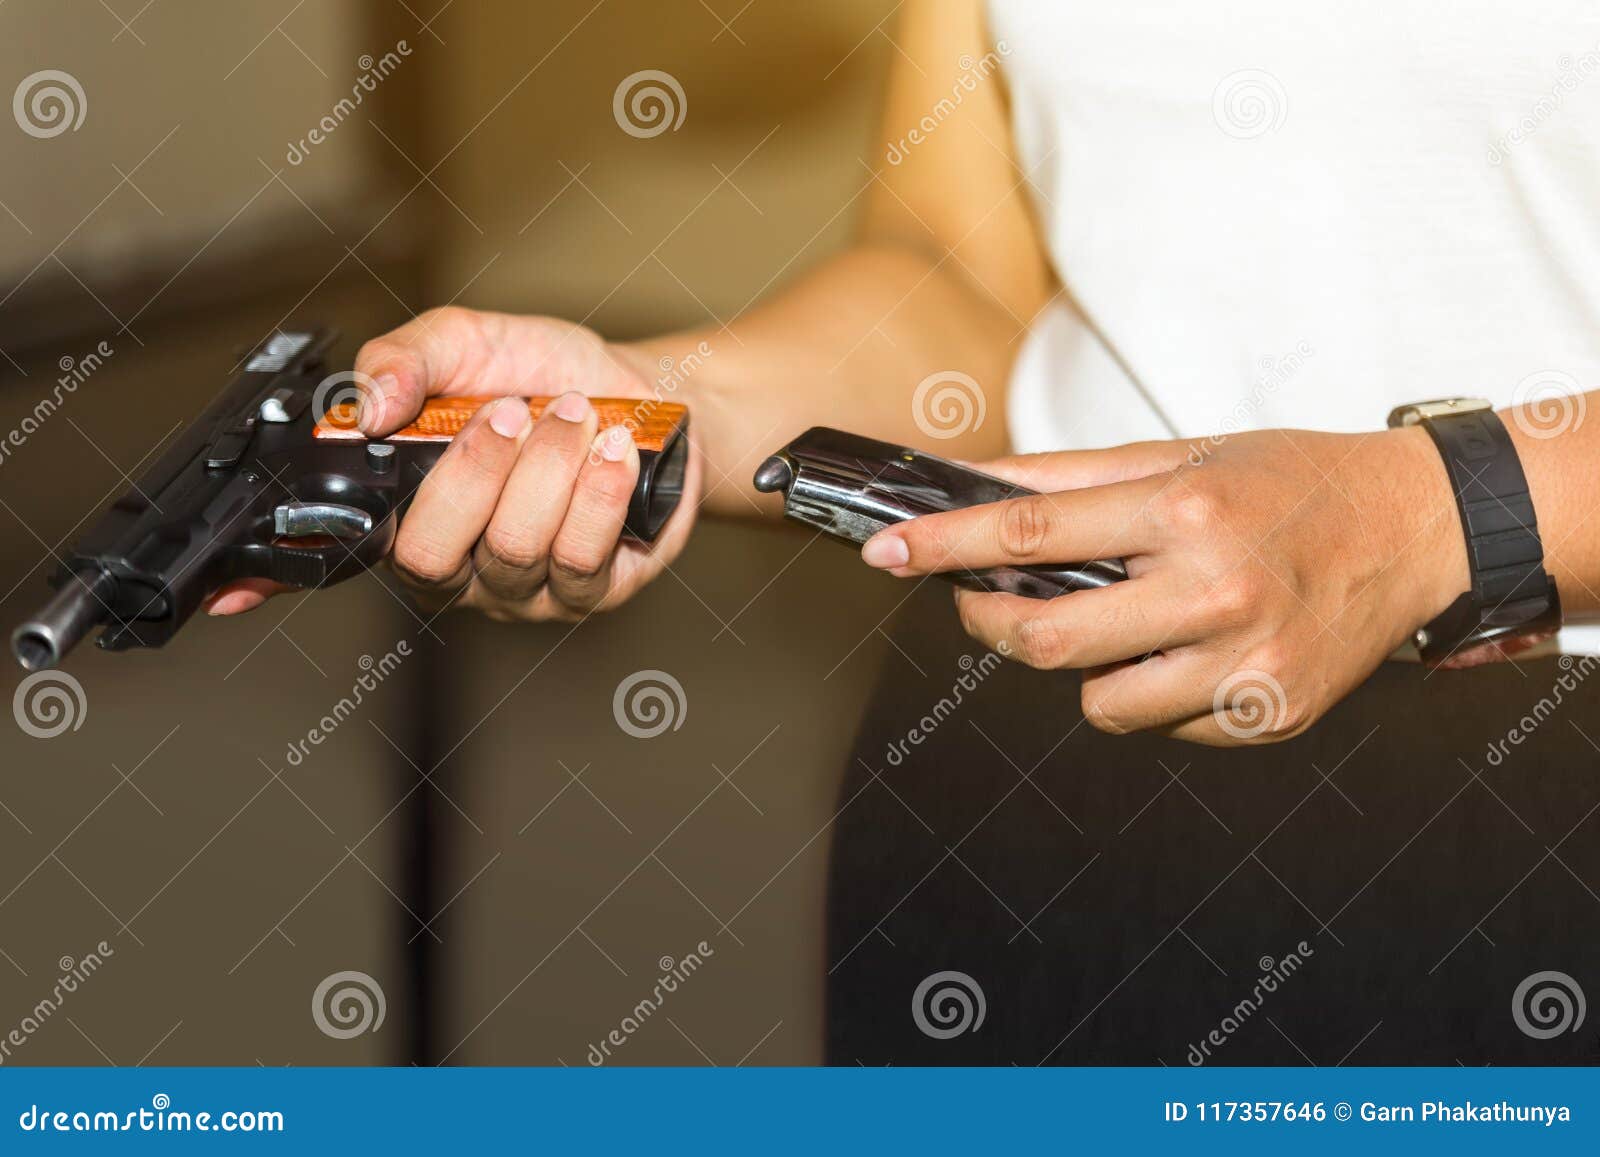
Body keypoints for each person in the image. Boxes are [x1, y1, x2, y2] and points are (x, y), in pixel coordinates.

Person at [212, 2, 1600, 1063]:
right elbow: (966, 279)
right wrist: (663, 402)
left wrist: (1443, 509)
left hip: (1540, 799)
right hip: (1038, 760)